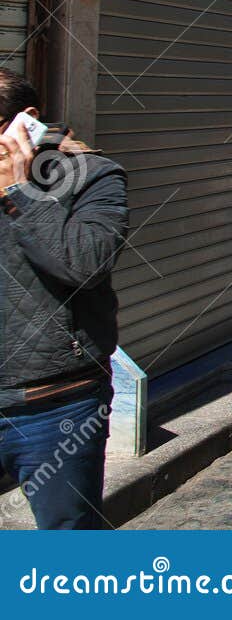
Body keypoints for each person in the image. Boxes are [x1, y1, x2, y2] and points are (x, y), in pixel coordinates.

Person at [0, 71, 129, 529]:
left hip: (54, 407)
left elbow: (85, 266)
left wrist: (21, 193)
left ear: (25, 122)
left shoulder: (93, 176)